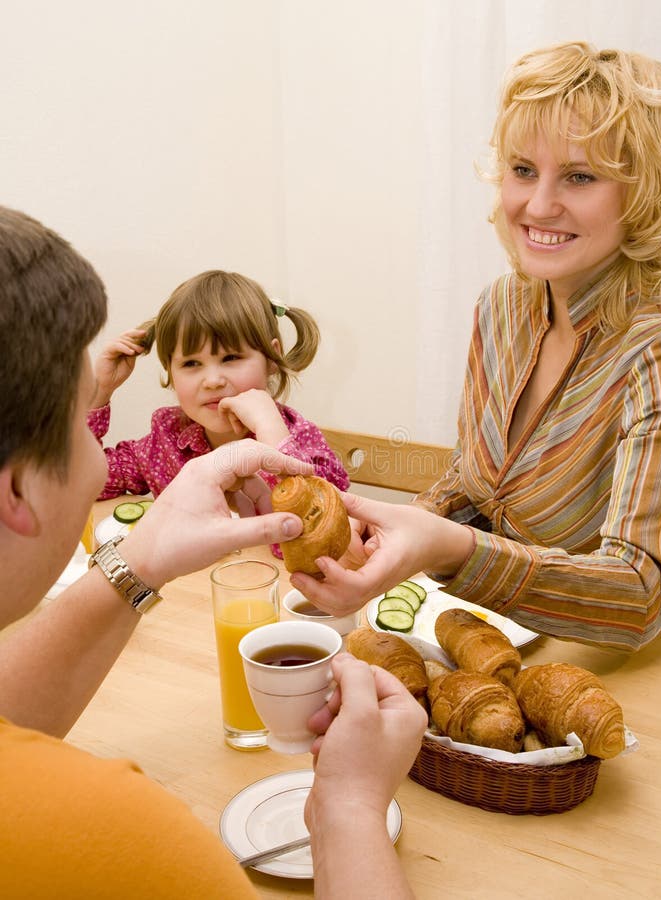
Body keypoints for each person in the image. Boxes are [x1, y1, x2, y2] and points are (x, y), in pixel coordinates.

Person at [0, 206, 426, 899]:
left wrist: (138, 566)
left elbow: (332, 499)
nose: (213, 377)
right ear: (18, 490)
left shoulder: (286, 439)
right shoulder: (132, 838)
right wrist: (350, 809)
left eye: (231, 357)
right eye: (73, 422)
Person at [292, 42, 661, 653]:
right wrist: (385, 535)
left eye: (580, 176)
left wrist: (446, 547)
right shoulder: (503, 307)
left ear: (647, 195)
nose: (536, 205)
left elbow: (639, 596)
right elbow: (474, 483)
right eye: (524, 169)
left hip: (634, 675)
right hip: (501, 646)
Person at [88, 269, 349, 500]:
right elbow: (89, 481)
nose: (212, 381)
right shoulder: (165, 442)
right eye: (191, 364)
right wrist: (100, 391)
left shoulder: (298, 438)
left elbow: (324, 518)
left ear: (272, 359)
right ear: (171, 371)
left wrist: (270, 432)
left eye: (231, 358)